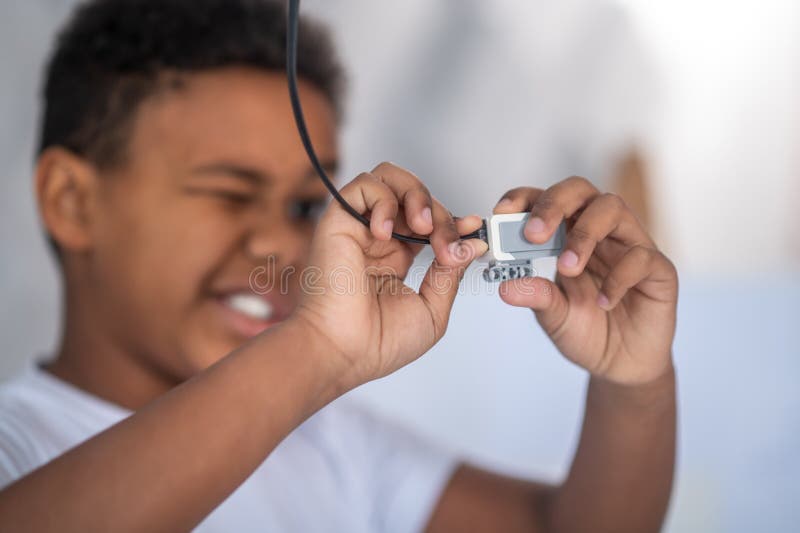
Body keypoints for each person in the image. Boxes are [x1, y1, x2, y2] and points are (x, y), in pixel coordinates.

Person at [0, 1, 678, 532]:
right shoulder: (18, 446)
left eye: (304, 207)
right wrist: (317, 347)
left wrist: (636, 384)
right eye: (228, 193)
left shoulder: (330, 444)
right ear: (72, 201)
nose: (280, 247)